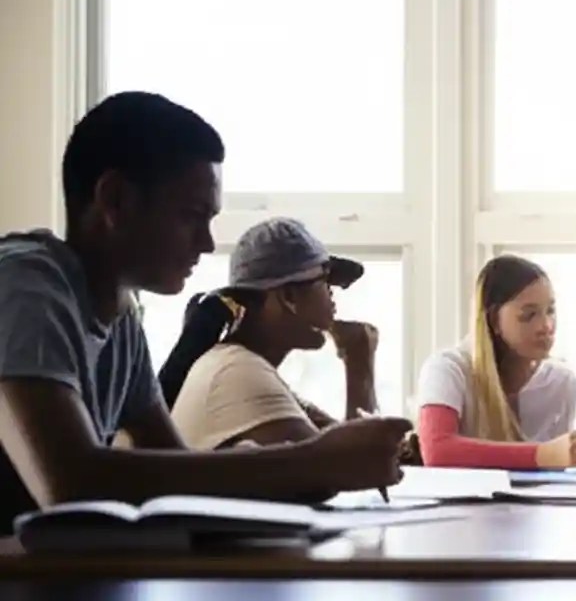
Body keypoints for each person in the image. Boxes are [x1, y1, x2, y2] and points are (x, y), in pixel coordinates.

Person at [0, 92, 409, 529]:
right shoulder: (24, 284)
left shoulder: (121, 318)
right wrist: (308, 463)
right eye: (192, 215)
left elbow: (173, 472)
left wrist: (287, 466)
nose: (207, 243)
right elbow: (71, 483)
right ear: (114, 200)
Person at [165, 218, 382, 449]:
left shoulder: (239, 364)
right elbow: (356, 468)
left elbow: (357, 446)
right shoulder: (240, 373)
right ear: (288, 296)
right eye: (325, 281)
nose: (332, 297)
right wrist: (359, 366)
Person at [416, 255, 576, 469]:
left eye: (550, 311)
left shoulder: (561, 382)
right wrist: (541, 454)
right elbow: (437, 451)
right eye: (528, 315)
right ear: (494, 320)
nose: (546, 326)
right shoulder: (447, 369)